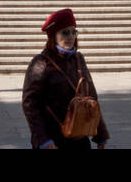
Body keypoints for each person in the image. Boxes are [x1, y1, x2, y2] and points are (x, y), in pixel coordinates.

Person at [21, 8, 109, 150]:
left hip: (80, 135)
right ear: (53, 35)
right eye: (65, 32)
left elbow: (91, 98)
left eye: (73, 31)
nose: (70, 36)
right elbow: (30, 104)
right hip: (53, 139)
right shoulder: (41, 63)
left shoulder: (79, 59)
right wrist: (43, 140)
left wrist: (101, 135)